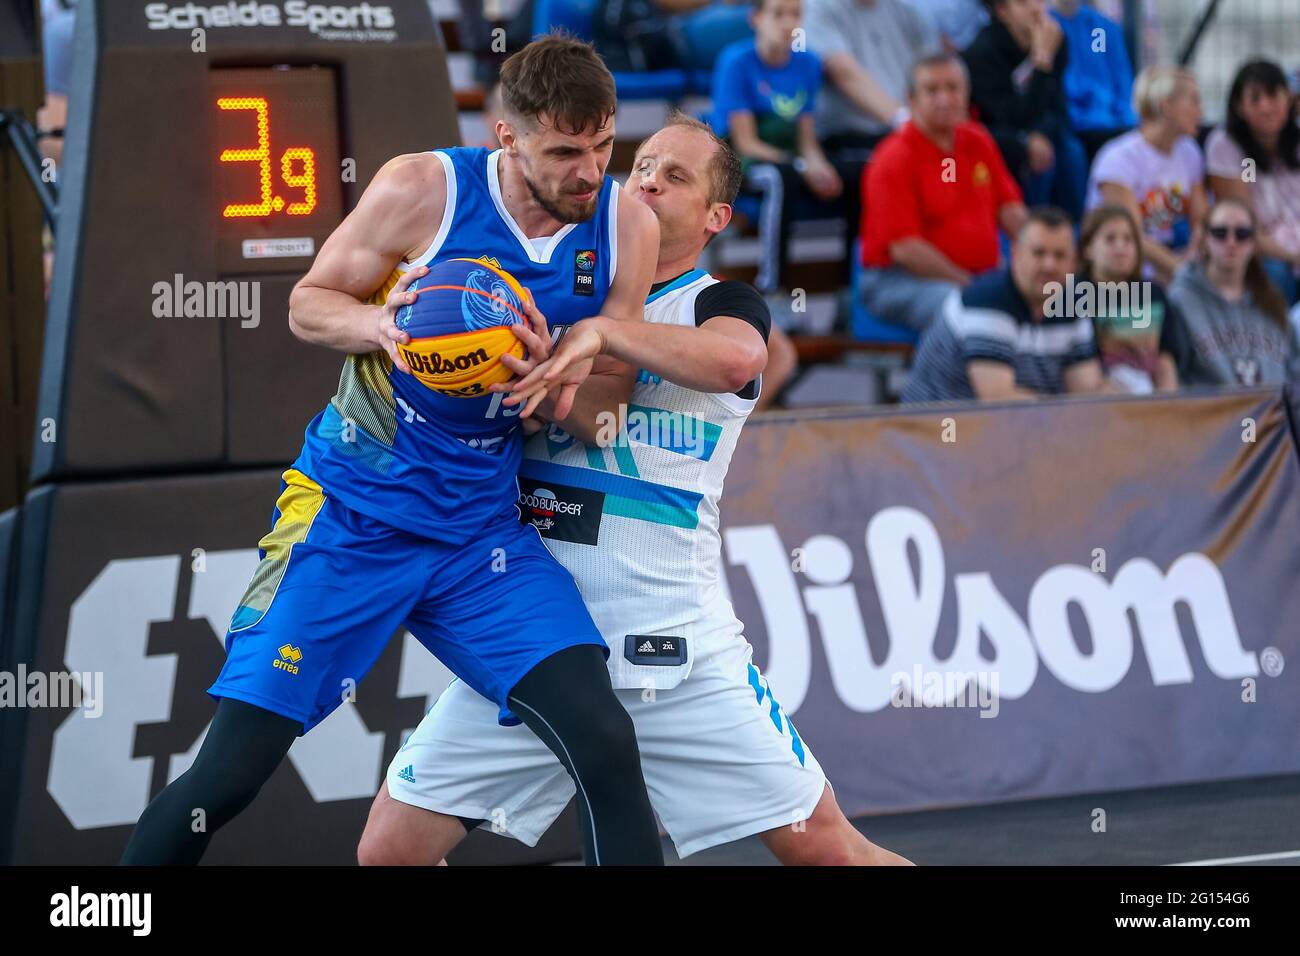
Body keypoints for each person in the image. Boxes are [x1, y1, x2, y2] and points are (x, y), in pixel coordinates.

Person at [121, 35, 667, 867]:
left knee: (603, 739)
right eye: (565, 152)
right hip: (351, 518)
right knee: (227, 775)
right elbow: (308, 304)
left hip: (479, 536)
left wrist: (551, 388)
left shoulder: (626, 224)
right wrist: (383, 326)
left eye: (603, 147)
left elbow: (605, 410)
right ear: (507, 136)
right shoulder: (425, 188)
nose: (589, 173)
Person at [357, 115, 913, 867]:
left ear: (717, 218)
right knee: (389, 850)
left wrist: (604, 337)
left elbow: (740, 360)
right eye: (642, 166)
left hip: (673, 649)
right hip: (538, 644)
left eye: (675, 176)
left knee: (829, 850)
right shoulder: (551, 292)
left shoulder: (718, 304)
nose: (647, 180)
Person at [859, 53, 1026, 334]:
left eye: (953, 88)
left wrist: (1037, 257)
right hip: (901, 280)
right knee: (968, 309)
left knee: (1049, 297)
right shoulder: (893, 158)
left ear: (967, 94)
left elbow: (1010, 210)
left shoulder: (978, 140)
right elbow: (906, 249)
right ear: (911, 99)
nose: (944, 99)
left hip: (977, 275)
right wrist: (974, 285)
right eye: (932, 90)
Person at [901, 206, 1114, 402]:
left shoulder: (1074, 304)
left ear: (1073, 263)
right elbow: (1000, 400)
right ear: (1015, 254)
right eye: (1038, 253)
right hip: (934, 435)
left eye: (1059, 256)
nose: (1049, 265)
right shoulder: (985, 301)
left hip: (1003, 433)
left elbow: (1086, 392)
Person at [711, 0, 842, 304]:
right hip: (744, 161)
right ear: (756, 18)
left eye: (795, 14)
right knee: (779, 179)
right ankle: (772, 288)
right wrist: (799, 165)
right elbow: (746, 144)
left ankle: (846, 291)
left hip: (788, 158)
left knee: (848, 175)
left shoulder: (809, 64)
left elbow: (807, 139)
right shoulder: (736, 62)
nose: (787, 23)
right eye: (778, 14)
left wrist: (819, 166)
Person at [963, 0, 1087, 221]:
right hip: (998, 136)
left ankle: (1073, 234)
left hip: (1041, 132)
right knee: (1039, 159)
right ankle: (1031, 237)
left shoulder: (1055, 41)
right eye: (1022, 3)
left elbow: (1057, 107)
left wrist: (1041, 134)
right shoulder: (981, 53)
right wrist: (1041, 63)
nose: (1034, 8)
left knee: (1071, 152)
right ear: (1002, 12)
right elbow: (1009, 116)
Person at [1085, 66, 1208, 286]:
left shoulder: (1189, 152)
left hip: (1171, 259)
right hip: (1124, 267)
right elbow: (1131, 235)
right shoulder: (1118, 159)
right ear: (1166, 106)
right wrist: (1182, 271)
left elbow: (1202, 223)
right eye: (1194, 101)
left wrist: (1193, 259)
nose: (1201, 112)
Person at [1168, 197, 1299, 387]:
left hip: (1274, 415)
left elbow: (1295, 375)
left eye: (1242, 234)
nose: (1231, 242)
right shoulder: (1181, 300)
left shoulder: (1273, 302)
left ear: (1254, 243)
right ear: (1204, 239)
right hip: (1213, 414)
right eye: (1220, 233)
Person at [1205, 60, 1300, 304]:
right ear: (1238, 106)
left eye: (1273, 95)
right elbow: (1244, 226)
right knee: (1275, 272)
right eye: (1255, 99)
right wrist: (1293, 255)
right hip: (1265, 250)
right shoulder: (1226, 145)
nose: (1266, 107)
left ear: (1288, 98)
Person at [805, 0, 941, 160]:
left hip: (911, 135)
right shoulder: (819, 7)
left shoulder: (910, 9)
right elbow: (842, 70)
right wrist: (903, 118)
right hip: (850, 139)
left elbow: (935, 70)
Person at [1078, 204, 1187, 393]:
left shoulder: (1154, 294)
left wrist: (1167, 403)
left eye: (1128, 240)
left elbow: (1165, 360)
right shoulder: (1076, 296)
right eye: (1110, 239)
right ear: (1088, 249)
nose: (1121, 247)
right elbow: (1081, 368)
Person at [1049, 0, 1137, 163]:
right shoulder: (1045, 27)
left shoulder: (1100, 29)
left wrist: (1128, 121)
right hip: (1069, 124)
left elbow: (1121, 82)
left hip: (1108, 121)